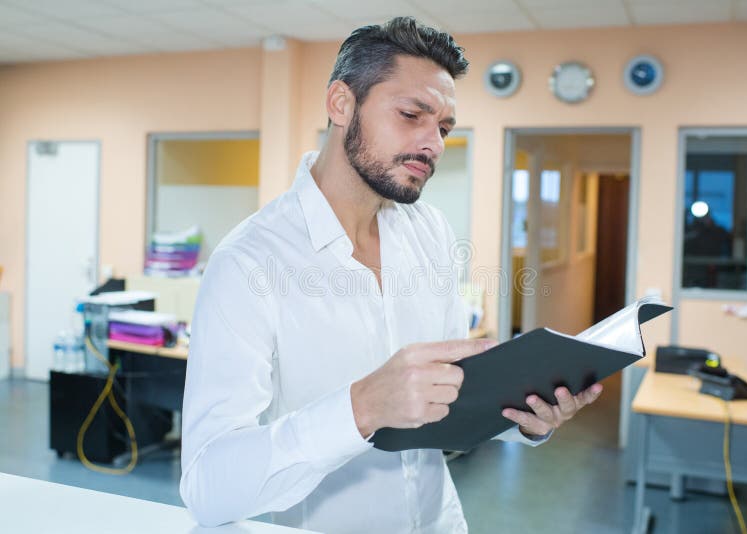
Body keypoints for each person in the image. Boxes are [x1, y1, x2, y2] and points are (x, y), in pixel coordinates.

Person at [180, 17, 603, 533]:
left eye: (444, 127)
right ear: (341, 104)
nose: (434, 145)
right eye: (411, 115)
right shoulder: (247, 263)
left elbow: (453, 401)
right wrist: (360, 408)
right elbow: (207, 487)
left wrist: (527, 417)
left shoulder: (432, 234)